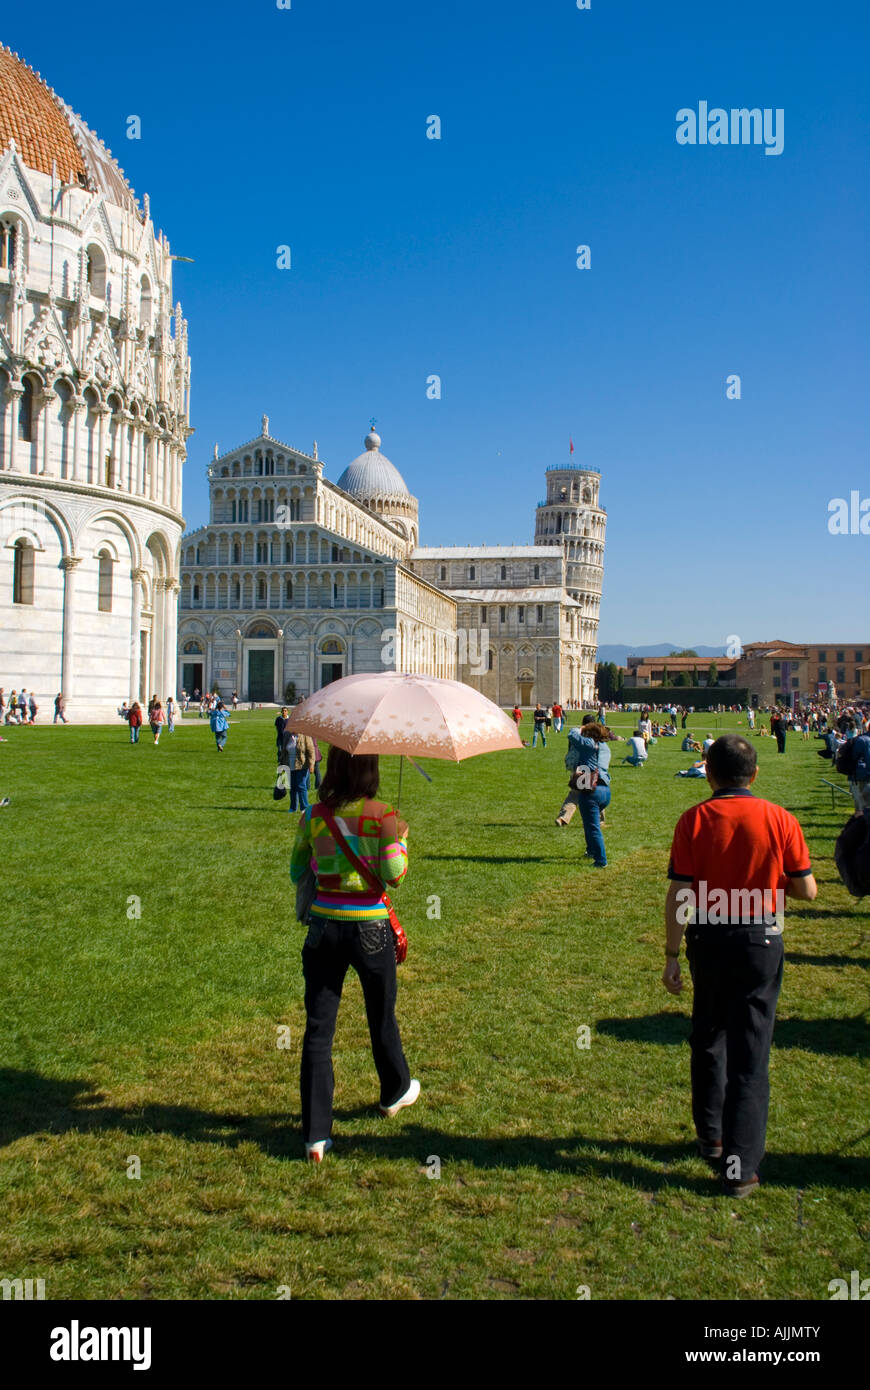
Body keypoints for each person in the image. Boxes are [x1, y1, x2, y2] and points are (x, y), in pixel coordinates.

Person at [662, 734, 816, 1197]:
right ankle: (740, 1166)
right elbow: (807, 889)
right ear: (755, 775)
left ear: (707, 772)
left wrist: (670, 955)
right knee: (751, 1051)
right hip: (758, 938)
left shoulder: (694, 819)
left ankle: (711, 1136)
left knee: (708, 1036)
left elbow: (680, 893)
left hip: (707, 937)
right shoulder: (779, 818)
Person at [289, 747, 418, 1161]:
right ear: (371, 769)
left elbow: (296, 871)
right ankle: (394, 1091)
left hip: (324, 926)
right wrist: (398, 840)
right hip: (370, 927)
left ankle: (315, 1135)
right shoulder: (382, 814)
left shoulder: (312, 815)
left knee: (318, 1029)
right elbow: (394, 875)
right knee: (380, 1016)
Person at [556, 719, 611, 865]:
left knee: (592, 827)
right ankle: (591, 851)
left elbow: (571, 734)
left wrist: (581, 728)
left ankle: (601, 860)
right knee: (589, 823)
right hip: (605, 789)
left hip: (591, 789)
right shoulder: (605, 747)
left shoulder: (589, 744)